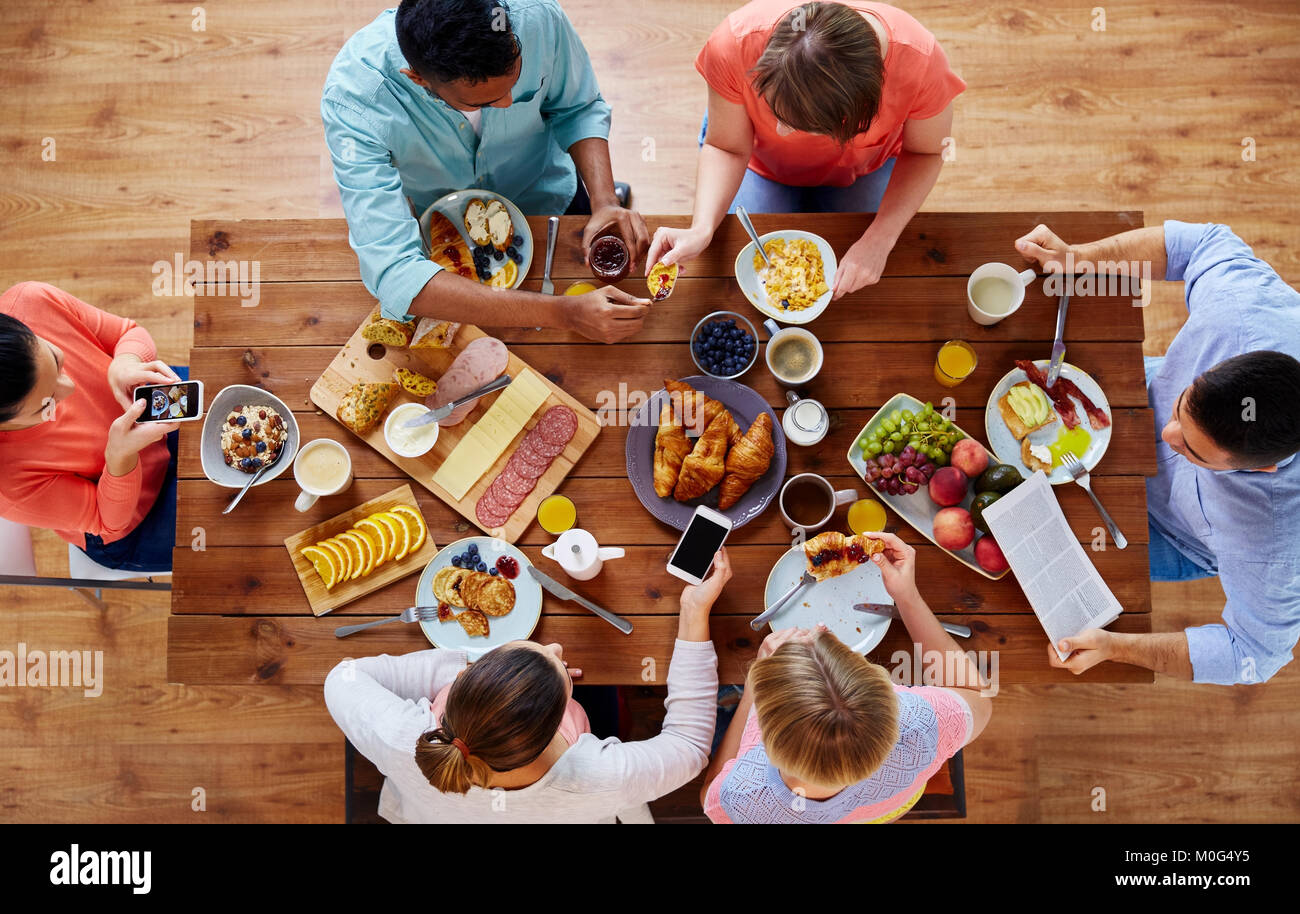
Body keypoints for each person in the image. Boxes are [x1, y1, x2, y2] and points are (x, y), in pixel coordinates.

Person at [1015, 221, 1300, 685]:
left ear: (1262, 468)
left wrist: (1116, 646)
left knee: (1031, 575)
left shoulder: (1275, 546)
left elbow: (1254, 655)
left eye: (1191, 448)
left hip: (1167, 532)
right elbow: (1199, 242)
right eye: (1181, 407)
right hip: (1117, 402)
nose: (1164, 433)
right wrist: (1080, 257)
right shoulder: (1244, 310)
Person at [322, 0, 651, 343]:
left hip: (548, 193)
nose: (508, 102)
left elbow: (577, 107)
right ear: (417, 78)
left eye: (516, 82)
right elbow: (396, 275)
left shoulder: (537, 16)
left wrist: (605, 199)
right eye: (483, 103)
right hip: (448, 237)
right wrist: (561, 312)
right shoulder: (354, 101)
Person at [323, 549, 732, 822]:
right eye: (545, 652)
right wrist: (694, 609)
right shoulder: (600, 776)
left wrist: (461, 664)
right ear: (558, 725)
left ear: (463, 680)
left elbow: (341, 678)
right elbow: (690, 747)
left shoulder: (402, 739)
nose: (554, 645)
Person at [647, 1, 964, 299]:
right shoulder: (734, 43)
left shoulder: (923, 62)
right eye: (775, 111)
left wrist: (880, 240)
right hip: (758, 163)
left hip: (864, 169)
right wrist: (702, 227)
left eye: (797, 124)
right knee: (737, 251)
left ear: (861, 113)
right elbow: (727, 146)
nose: (780, 131)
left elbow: (927, 152)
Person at [701, 532, 991, 823]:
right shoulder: (920, 723)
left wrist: (754, 682)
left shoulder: (742, 797)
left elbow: (710, 794)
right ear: (886, 691)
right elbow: (976, 695)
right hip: (888, 807)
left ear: (763, 729)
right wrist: (906, 596)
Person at [0, 282, 182, 573]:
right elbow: (107, 521)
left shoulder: (31, 302)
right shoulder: (8, 485)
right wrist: (120, 458)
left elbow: (127, 332)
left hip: (150, 405)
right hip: (135, 523)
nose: (70, 387)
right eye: (47, 405)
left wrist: (125, 361)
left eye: (57, 360)